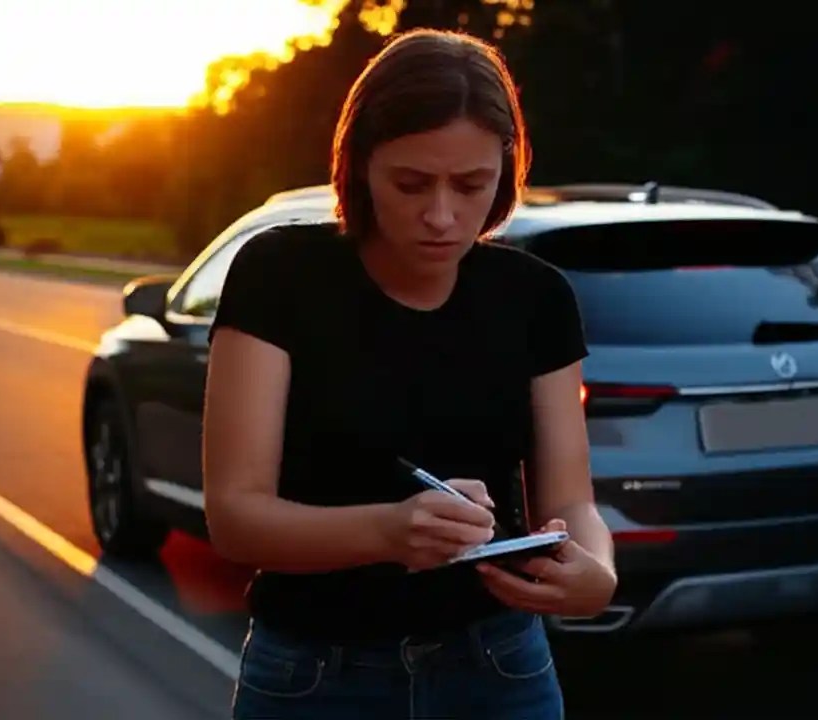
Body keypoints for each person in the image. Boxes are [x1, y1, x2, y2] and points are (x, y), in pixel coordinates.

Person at [202, 27, 618, 720]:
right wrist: (391, 532)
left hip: (497, 665)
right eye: (411, 183)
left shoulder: (536, 297)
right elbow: (235, 517)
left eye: (472, 184)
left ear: (506, 172)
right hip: (315, 675)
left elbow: (571, 502)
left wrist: (596, 576)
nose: (442, 215)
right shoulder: (278, 275)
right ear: (359, 166)